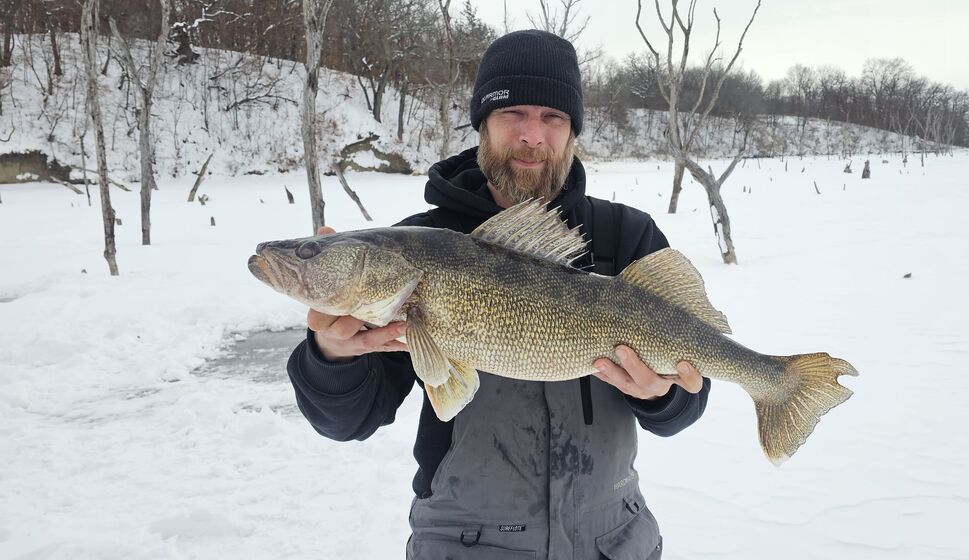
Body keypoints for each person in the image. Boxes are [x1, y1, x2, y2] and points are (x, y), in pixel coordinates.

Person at [286, 29, 710, 560]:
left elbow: (687, 401)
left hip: (614, 538)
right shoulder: (409, 250)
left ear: (573, 132)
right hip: (466, 540)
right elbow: (346, 422)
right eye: (513, 114)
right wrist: (331, 358)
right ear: (482, 124)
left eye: (553, 117)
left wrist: (664, 395)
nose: (533, 135)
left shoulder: (626, 237)